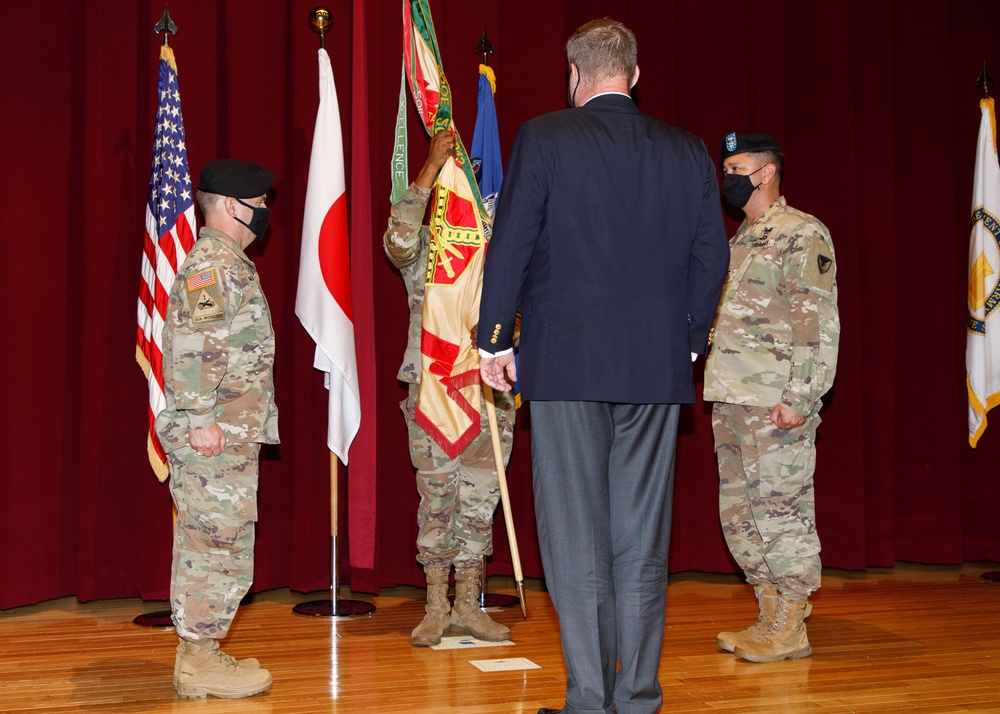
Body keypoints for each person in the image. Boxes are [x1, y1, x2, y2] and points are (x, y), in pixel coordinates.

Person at [477, 19, 729, 714]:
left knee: (574, 538)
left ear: (574, 75)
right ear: (635, 75)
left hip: (565, 366)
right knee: (641, 541)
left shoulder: (546, 136)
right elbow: (713, 255)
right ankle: (638, 697)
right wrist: (686, 343)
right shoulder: (686, 150)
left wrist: (495, 339)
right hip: (655, 369)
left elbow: (512, 244)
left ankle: (591, 700)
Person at [704, 132, 840, 663]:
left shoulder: (801, 233)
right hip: (734, 398)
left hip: (776, 401)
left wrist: (802, 396)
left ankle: (792, 622)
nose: (729, 176)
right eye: (726, 166)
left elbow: (816, 323)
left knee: (781, 510)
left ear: (766, 173)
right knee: (740, 512)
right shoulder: (739, 241)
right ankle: (767, 613)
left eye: (738, 166)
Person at [383, 130, 517, 648]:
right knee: (437, 499)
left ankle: (469, 604)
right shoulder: (425, 255)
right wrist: (429, 169)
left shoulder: (503, 253)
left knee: (480, 500)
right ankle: (436, 604)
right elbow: (397, 241)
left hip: (490, 393)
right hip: (434, 391)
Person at [154, 159, 278, 699]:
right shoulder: (213, 266)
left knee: (218, 541)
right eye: (261, 200)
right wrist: (201, 419)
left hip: (228, 431)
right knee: (212, 544)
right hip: (214, 434)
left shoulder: (226, 262)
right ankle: (199, 662)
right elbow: (196, 348)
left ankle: (199, 653)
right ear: (233, 205)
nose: (265, 211)